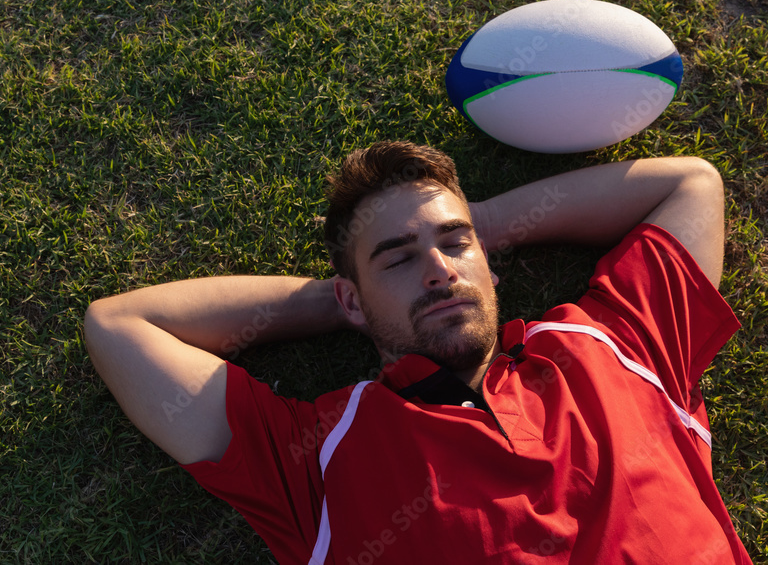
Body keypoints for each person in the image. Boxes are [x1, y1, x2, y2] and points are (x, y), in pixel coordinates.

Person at [84, 141, 752, 563]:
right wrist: (340, 298)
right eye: (399, 259)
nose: (438, 269)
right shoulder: (317, 456)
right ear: (352, 301)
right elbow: (120, 326)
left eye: (453, 244)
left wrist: (479, 224)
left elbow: (690, 184)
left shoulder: (614, 344)